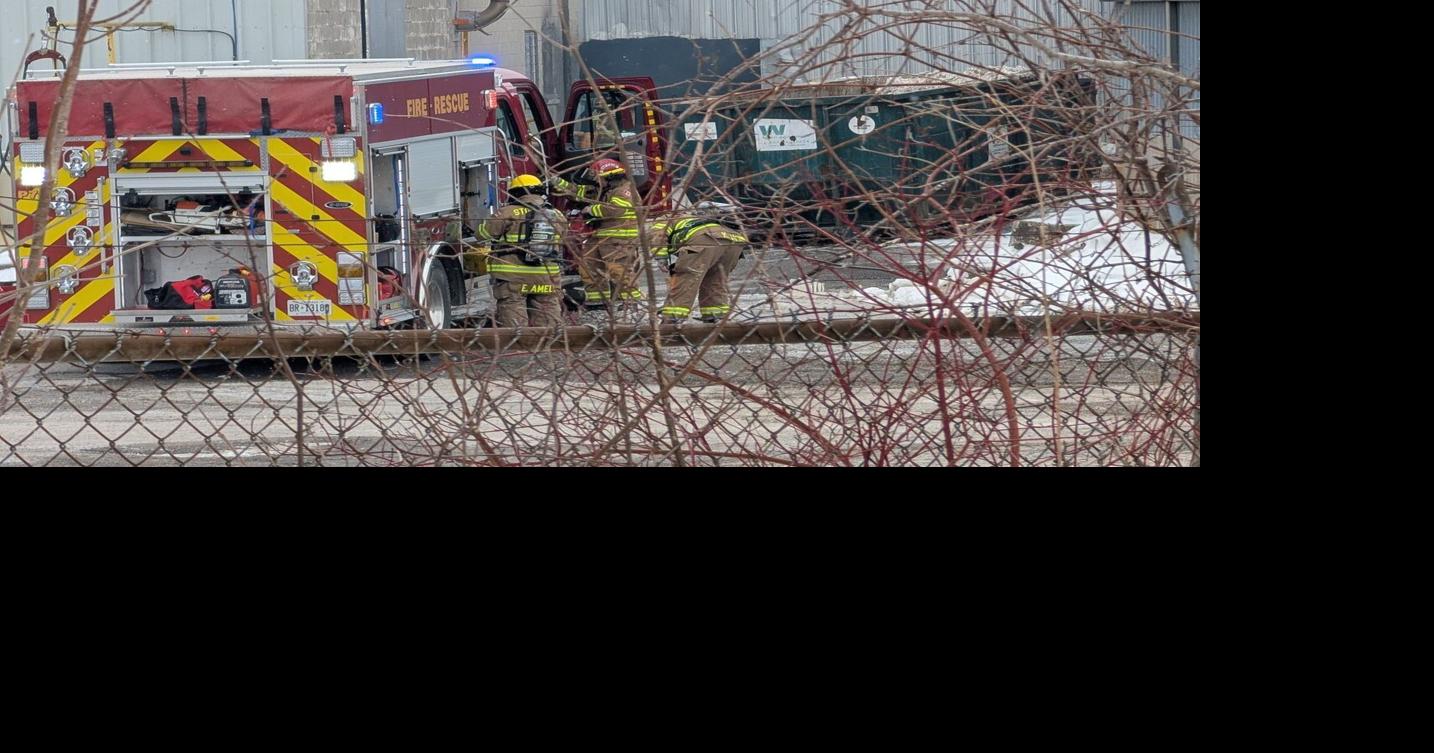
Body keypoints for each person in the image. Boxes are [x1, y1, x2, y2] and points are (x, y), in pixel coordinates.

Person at [550, 158, 644, 317]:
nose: (595, 180)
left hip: (619, 239)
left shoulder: (625, 191)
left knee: (619, 271)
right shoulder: (602, 190)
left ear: (610, 177)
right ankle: (597, 303)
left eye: (597, 176)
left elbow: (616, 209)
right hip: (600, 237)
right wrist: (556, 181)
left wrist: (591, 210)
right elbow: (576, 191)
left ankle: (632, 304)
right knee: (589, 267)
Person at [475, 173, 567, 327]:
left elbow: (481, 235)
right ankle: (546, 347)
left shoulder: (507, 212)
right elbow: (563, 239)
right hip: (547, 276)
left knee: (514, 321)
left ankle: (519, 348)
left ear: (515, 193)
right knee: (548, 318)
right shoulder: (557, 215)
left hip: (513, 276)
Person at [655, 216, 748, 325]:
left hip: (706, 239)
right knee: (716, 279)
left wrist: (661, 257)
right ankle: (715, 316)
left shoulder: (661, 222)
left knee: (687, 277)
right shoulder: (690, 219)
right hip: (735, 241)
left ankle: (672, 319)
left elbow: (657, 236)